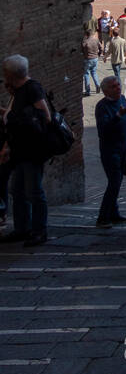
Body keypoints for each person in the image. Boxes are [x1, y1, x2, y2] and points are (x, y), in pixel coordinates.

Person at [0, 55, 51, 245]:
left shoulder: (32, 89)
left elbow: (45, 117)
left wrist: (20, 121)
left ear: (11, 74)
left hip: (32, 150)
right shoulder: (18, 90)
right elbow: (13, 116)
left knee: (34, 192)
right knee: (17, 190)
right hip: (19, 150)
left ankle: (39, 231)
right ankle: (22, 228)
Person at [94, 75, 126, 228]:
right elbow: (103, 130)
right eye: (114, 87)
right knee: (114, 183)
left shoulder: (122, 99)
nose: (118, 88)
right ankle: (102, 217)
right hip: (110, 151)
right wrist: (118, 116)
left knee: (117, 182)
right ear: (105, 91)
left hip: (122, 149)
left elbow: (124, 127)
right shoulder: (102, 107)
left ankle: (114, 214)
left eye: (118, 85)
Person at [82, 27, 101, 96]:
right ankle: (97, 85)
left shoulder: (85, 41)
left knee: (86, 74)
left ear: (86, 34)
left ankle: (88, 91)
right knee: (94, 72)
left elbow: (82, 49)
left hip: (87, 59)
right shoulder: (96, 40)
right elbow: (100, 47)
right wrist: (98, 54)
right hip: (95, 58)